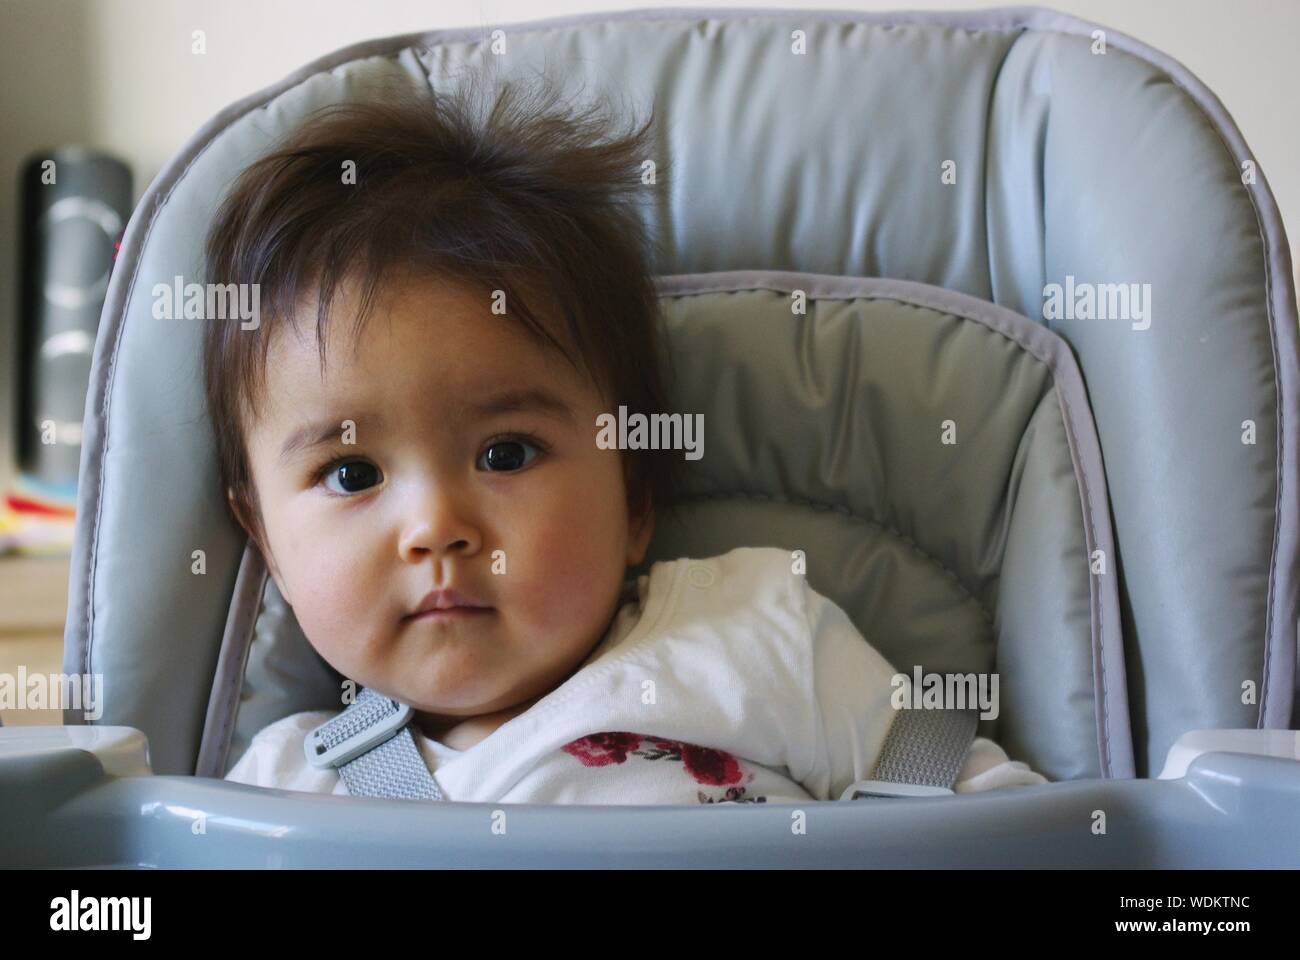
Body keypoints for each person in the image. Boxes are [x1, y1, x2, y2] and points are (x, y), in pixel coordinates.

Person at [207, 72, 1046, 803]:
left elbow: (989, 815)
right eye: (352, 473)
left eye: (506, 454)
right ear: (267, 543)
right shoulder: (285, 787)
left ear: (633, 495)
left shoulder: (754, 636)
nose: (436, 528)